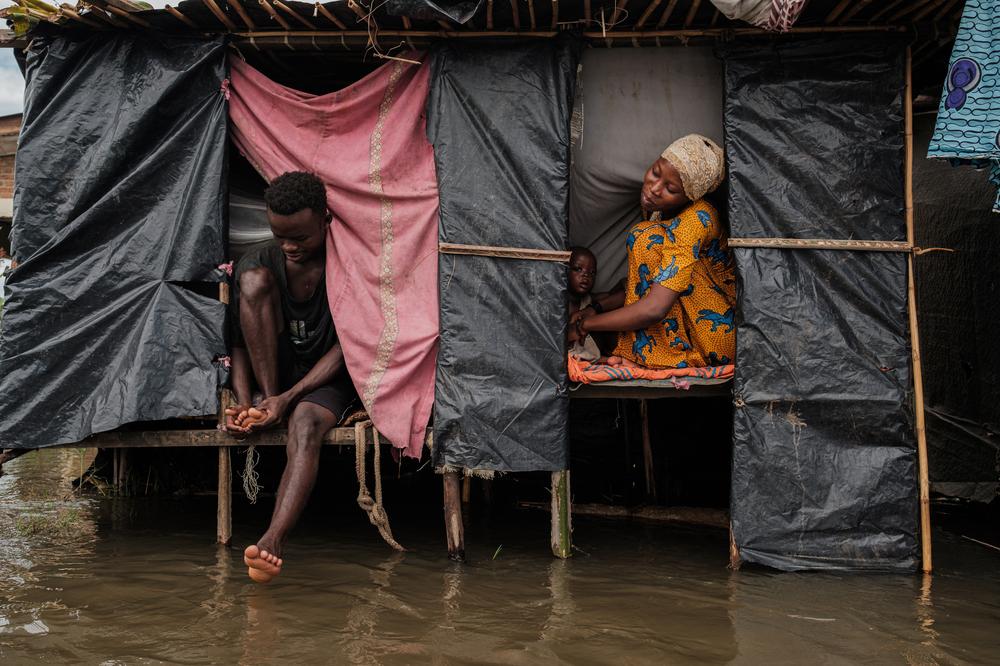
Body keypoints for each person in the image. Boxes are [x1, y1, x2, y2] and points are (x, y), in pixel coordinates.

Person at [222, 171, 356, 584]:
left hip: (330, 377)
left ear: (325, 220)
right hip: (274, 378)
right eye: (280, 236)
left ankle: (274, 538)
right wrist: (247, 402)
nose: (289, 247)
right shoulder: (259, 262)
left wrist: (288, 399)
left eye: (300, 237)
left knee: (304, 423)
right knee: (252, 280)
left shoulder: (350, 263)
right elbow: (240, 345)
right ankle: (269, 402)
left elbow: (350, 345)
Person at [570, 134, 736, 369]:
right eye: (656, 172)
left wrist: (587, 325)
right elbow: (644, 283)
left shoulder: (698, 218)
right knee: (645, 237)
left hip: (716, 337)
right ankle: (646, 353)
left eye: (670, 188)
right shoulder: (657, 210)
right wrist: (593, 309)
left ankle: (656, 357)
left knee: (645, 236)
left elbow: (655, 307)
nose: (654, 189)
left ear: (690, 196)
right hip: (681, 322)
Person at [567, 246, 602, 363]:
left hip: (584, 359)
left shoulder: (588, 301)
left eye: (592, 272)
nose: (586, 275)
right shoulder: (556, 303)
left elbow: (624, 288)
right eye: (578, 269)